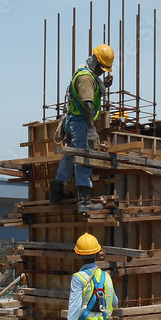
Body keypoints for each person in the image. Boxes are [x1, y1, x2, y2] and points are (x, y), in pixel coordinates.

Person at [50, 44, 114, 214]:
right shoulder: (86, 78)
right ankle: (84, 202)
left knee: (70, 155)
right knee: (83, 157)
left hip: (75, 121)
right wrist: (92, 130)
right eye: (102, 68)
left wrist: (104, 87)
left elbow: (89, 95)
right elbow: (87, 105)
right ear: (96, 63)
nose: (103, 72)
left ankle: (56, 193)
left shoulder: (88, 74)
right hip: (80, 123)